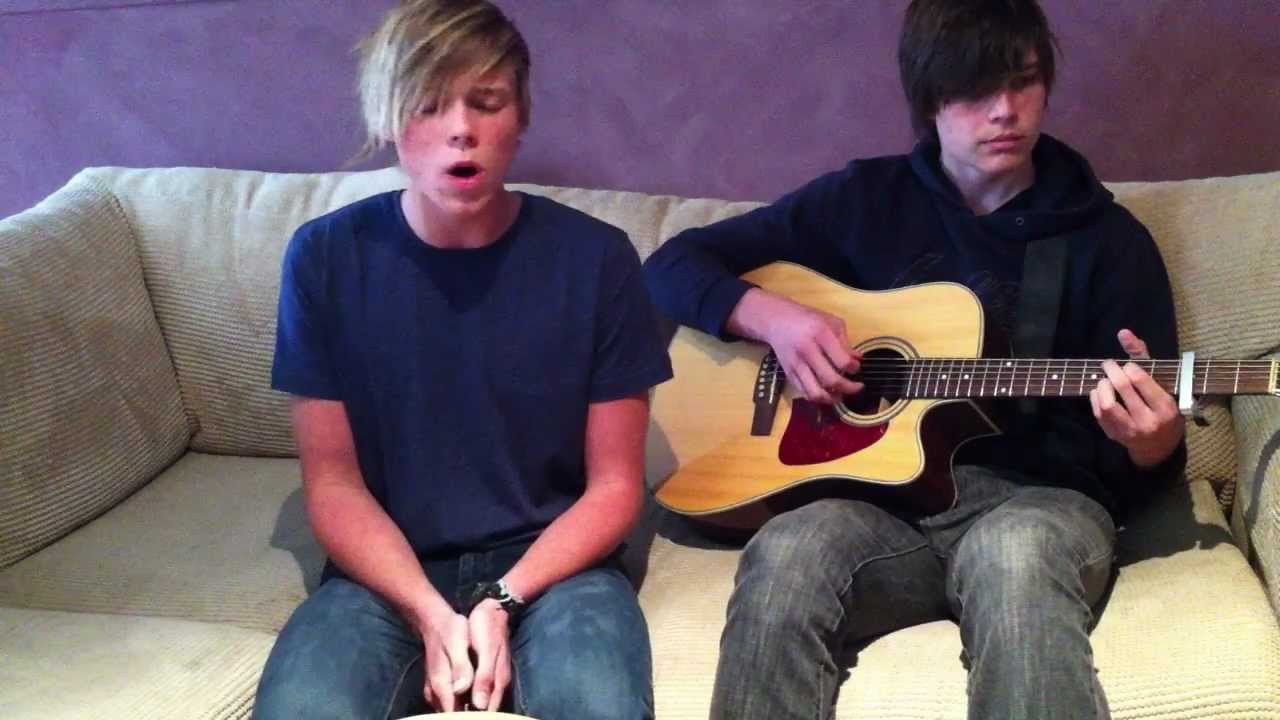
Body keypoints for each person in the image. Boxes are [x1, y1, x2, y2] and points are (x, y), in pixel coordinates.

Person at [643, 1, 1186, 718]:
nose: (1005, 110)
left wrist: (1153, 441)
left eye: (1023, 82)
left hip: (1041, 505)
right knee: (788, 552)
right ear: (929, 99)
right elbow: (671, 265)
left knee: (1015, 554)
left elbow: (1152, 457)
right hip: (881, 512)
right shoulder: (863, 201)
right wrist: (773, 318)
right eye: (975, 89)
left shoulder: (1109, 241)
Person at [252, 1, 671, 718]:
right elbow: (334, 485)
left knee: (598, 705)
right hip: (387, 573)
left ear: (521, 116)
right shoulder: (324, 258)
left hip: (558, 570)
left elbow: (613, 488)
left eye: (487, 101)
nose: (460, 129)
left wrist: (502, 601)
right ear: (388, 120)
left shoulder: (596, 259)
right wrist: (426, 609)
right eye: (428, 104)